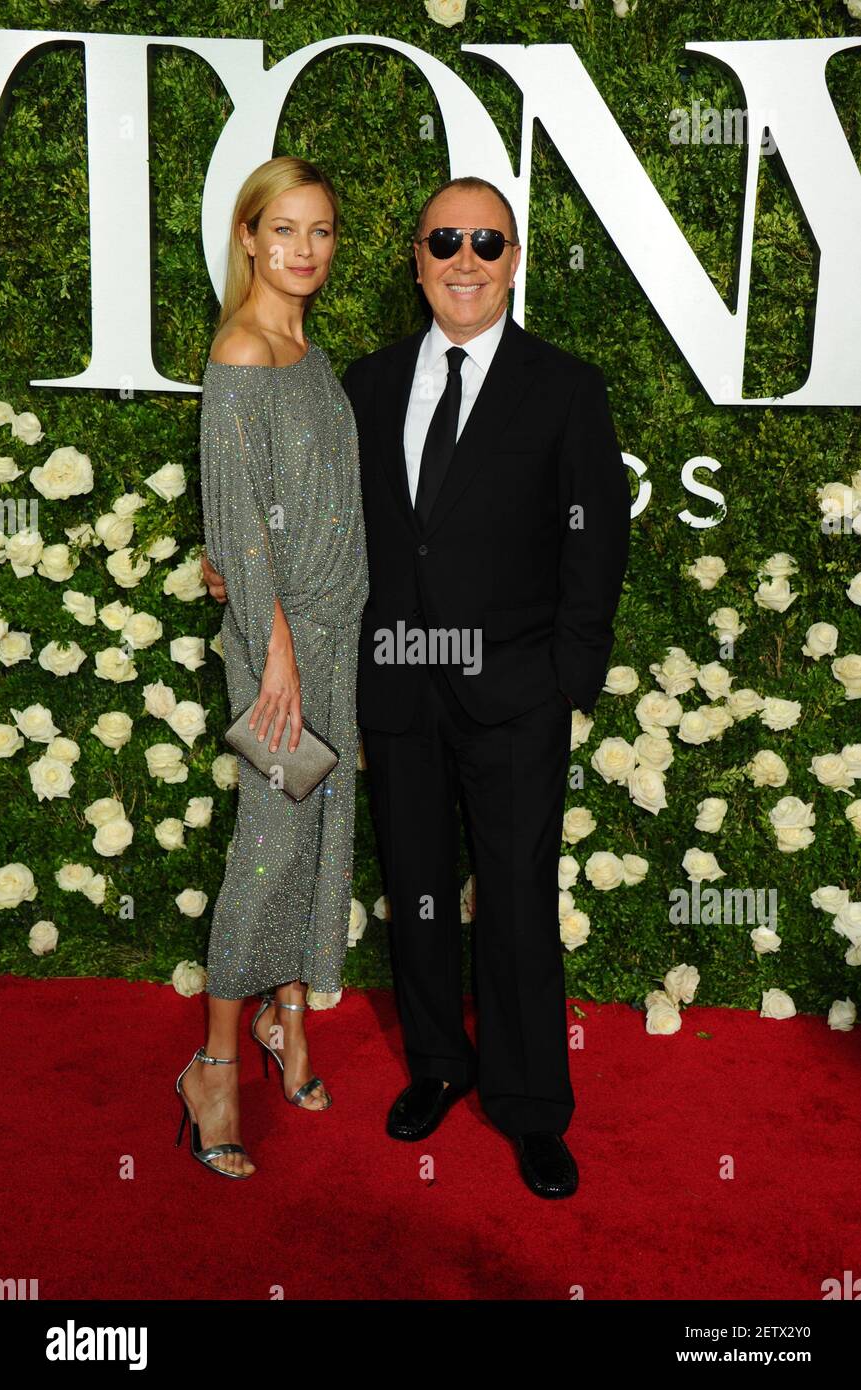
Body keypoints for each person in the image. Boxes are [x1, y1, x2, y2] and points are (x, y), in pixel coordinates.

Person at [204, 174, 630, 1198]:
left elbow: (598, 539)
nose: (466, 260)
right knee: (421, 893)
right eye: (445, 239)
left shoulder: (564, 386)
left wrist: (565, 679)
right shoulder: (368, 377)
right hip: (392, 685)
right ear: (417, 259)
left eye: (488, 241)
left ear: (515, 259)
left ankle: (531, 1106)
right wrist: (233, 566)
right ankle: (439, 1064)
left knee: (518, 899)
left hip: (513, 693)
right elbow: (312, 509)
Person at [177, 156, 369, 1179]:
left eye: (321, 231)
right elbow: (243, 529)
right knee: (267, 848)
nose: (303, 249)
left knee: (314, 836)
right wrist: (275, 653)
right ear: (247, 236)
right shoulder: (242, 354)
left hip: (333, 629)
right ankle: (212, 1064)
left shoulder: (305, 341)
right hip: (280, 643)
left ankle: (285, 1019)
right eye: (283, 229)